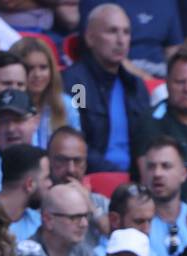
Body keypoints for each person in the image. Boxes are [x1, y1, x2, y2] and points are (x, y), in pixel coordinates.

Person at [63, 4, 152, 173]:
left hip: (134, 181)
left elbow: (146, 142)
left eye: (126, 32)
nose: (121, 40)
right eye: (112, 31)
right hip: (93, 177)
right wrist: (114, 174)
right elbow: (76, 141)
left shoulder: (136, 86)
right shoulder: (77, 84)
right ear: (90, 38)